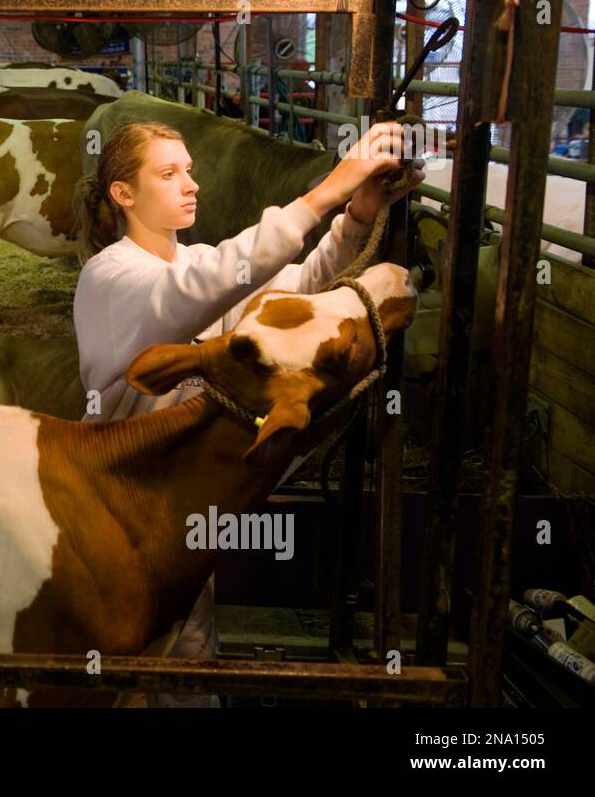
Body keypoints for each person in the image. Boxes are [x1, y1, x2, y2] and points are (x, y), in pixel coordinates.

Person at [72, 119, 424, 707]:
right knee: (118, 669)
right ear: (122, 194)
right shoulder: (109, 277)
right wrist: (327, 188)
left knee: (187, 658)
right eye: (167, 173)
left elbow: (292, 291)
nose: (190, 185)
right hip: (118, 513)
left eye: (189, 169)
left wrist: (357, 214)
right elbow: (206, 284)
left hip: (182, 509)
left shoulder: (200, 262)